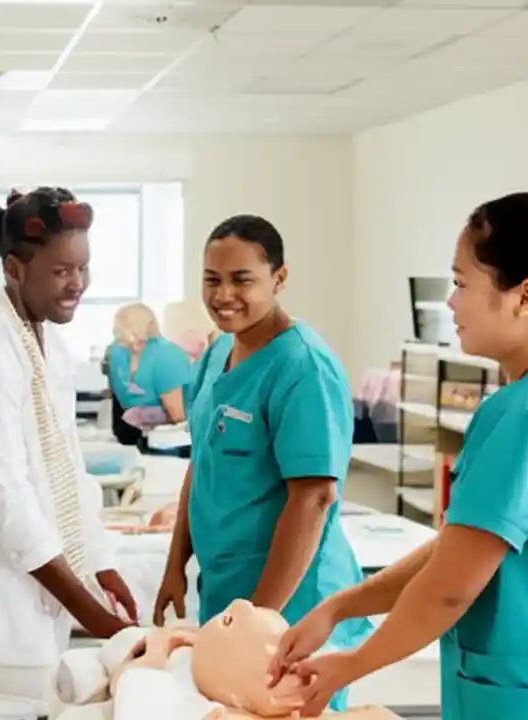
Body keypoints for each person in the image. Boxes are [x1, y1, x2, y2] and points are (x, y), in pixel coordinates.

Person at [267, 192, 528, 719]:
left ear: (526, 296)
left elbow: (448, 590)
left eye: (460, 284)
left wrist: (352, 663)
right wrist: (340, 606)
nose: (450, 304)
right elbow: (457, 548)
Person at [152, 214, 371, 712]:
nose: (223, 294)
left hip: (290, 608)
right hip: (230, 595)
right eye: (212, 279)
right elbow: (203, 461)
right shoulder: (218, 354)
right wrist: (174, 566)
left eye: (242, 280)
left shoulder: (302, 368)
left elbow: (313, 497)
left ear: (280, 278)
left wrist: (258, 623)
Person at [0, 187, 139, 704]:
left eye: (83, 269)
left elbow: (67, 474)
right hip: (4, 601)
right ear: (14, 269)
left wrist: (102, 566)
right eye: (61, 271)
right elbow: (1, 492)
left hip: (46, 589)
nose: (77, 285)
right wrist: (86, 608)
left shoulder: (47, 341)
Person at [106, 303, 192, 443]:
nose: (133, 345)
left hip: (167, 436)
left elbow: (179, 417)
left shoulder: (168, 357)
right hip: (127, 431)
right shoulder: (116, 352)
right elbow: (116, 392)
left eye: (137, 339)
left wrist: (149, 417)